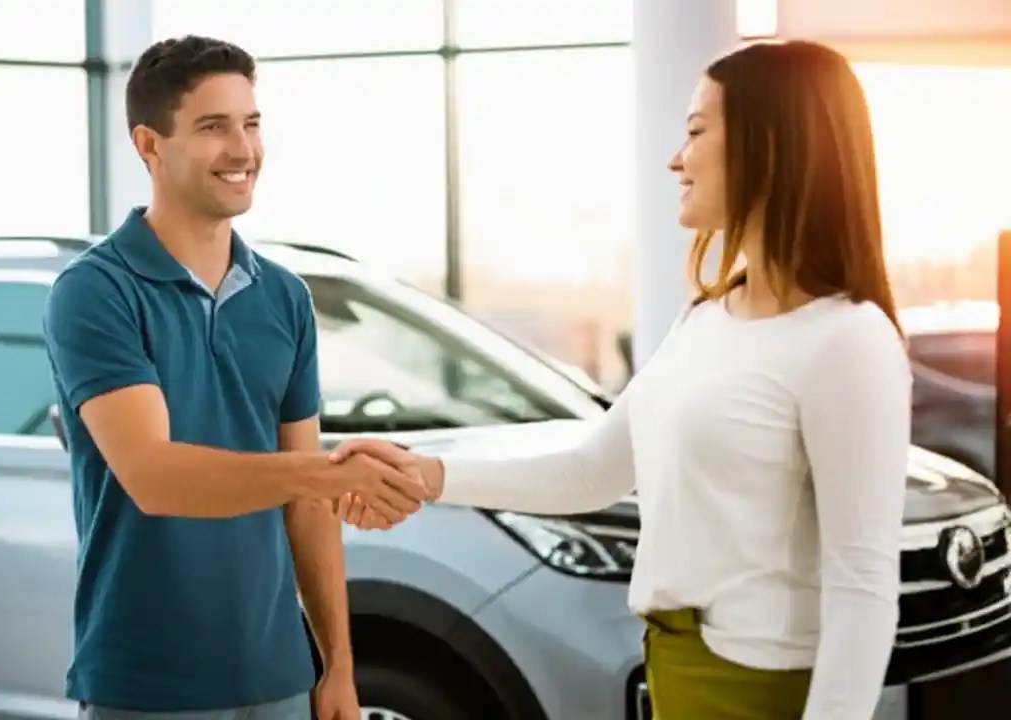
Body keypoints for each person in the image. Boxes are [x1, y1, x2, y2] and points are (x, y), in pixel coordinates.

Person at [331, 39, 911, 719]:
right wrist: (425, 475)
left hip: (765, 692)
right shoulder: (705, 319)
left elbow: (863, 580)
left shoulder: (847, 338)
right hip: (676, 673)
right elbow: (591, 474)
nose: (675, 158)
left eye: (696, 131)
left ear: (770, 145)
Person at [43, 35, 429, 720]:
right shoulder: (95, 292)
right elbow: (154, 476)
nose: (243, 150)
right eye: (213, 127)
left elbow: (305, 505)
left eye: (250, 124)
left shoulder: (284, 296)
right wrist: (324, 472)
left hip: (277, 678)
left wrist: (336, 664)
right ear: (148, 145)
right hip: (147, 684)